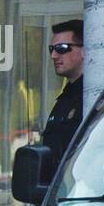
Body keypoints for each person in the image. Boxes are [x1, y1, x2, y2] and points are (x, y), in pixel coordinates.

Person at [41, 18, 84, 164]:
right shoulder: (66, 97)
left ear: (85, 50)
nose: (54, 56)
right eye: (51, 49)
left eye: (62, 48)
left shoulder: (92, 96)